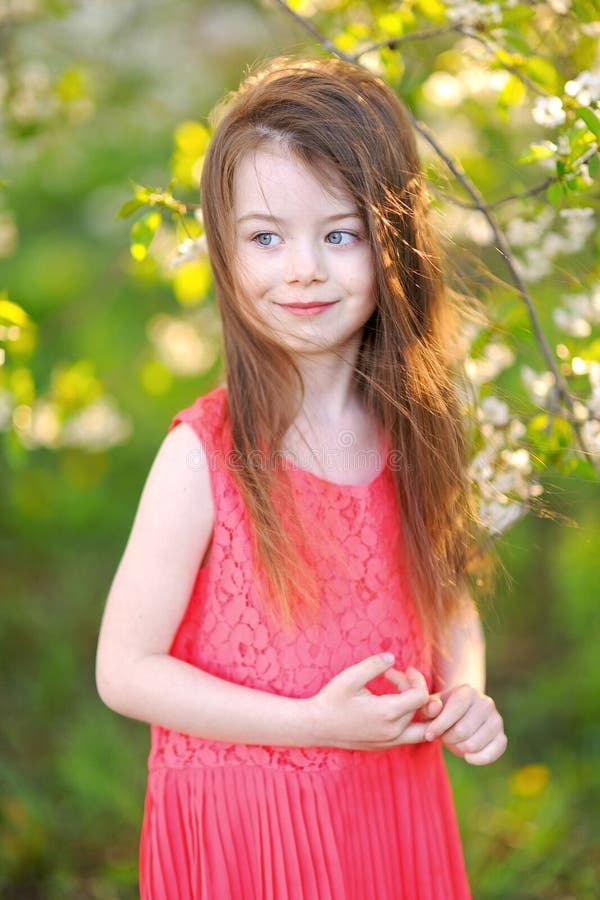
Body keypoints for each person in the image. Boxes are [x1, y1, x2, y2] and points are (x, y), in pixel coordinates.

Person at [95, 55, 507, 900]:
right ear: (225, 248)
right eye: (267, 237)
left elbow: (448, 596)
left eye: (340, 233)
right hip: (248, 826)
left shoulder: (416, 429)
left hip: (387, 801)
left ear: (394, 240)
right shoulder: (203, 454)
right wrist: (312, 725)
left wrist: (465, 689)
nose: (303, 269)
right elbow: (125, 670)